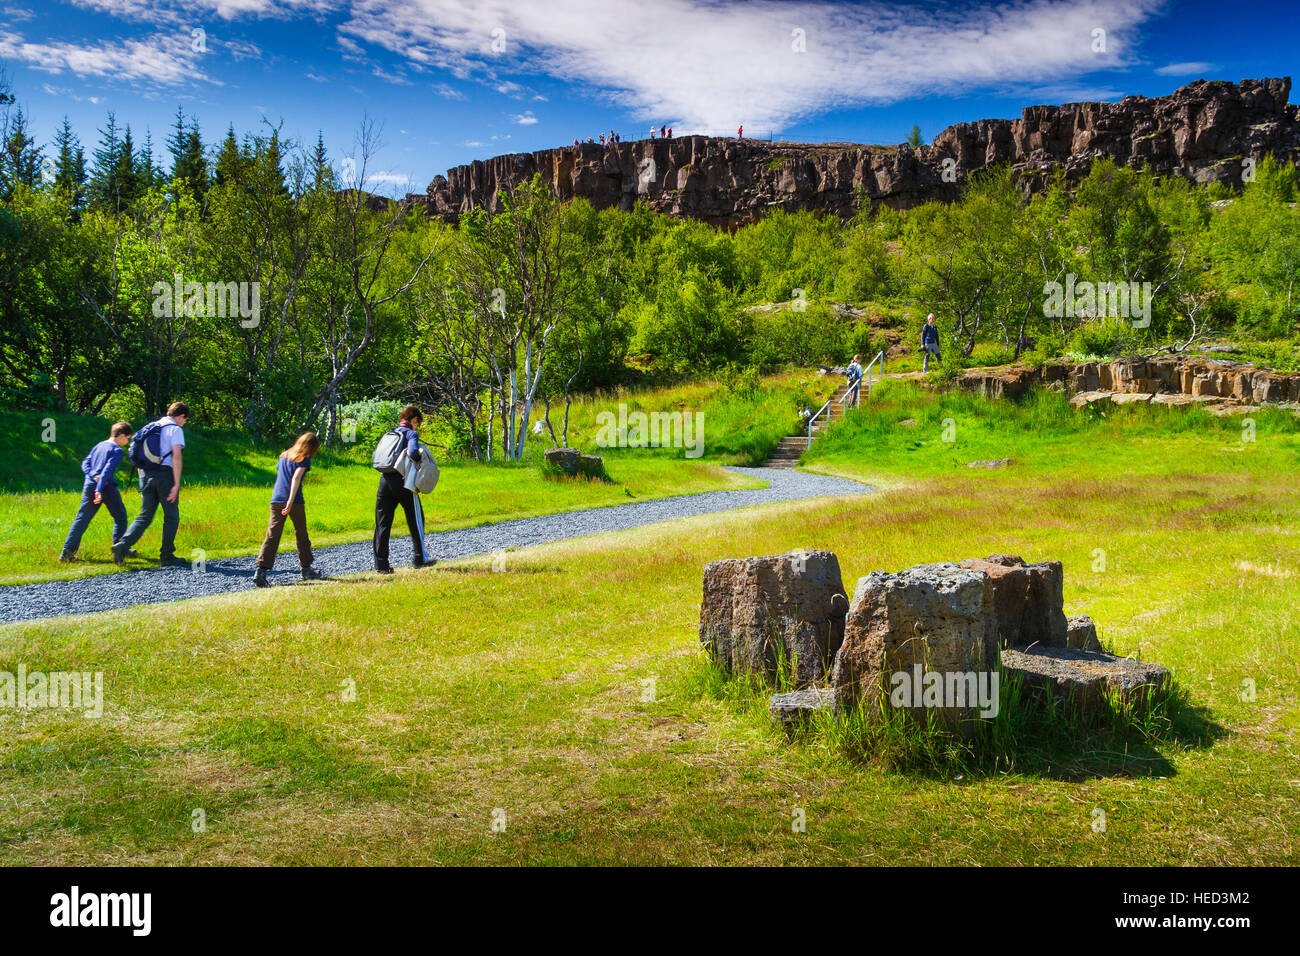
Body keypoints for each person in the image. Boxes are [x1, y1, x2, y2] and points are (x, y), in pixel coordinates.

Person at [113, 401, 188, 567]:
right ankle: (167, 555)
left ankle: (121, 545)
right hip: (165, 476)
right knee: (172, 517)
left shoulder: (150, 426)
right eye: (185, 419)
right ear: (181, 416)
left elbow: (139, 456)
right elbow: (176, 456)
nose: (184, 423)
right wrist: (176, 484)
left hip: (145, 474)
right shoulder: (175, 430)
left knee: (145, 516)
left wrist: (142, 482)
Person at [253, 432, 322, 587]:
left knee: (272, 535)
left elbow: (282, 476)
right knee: (301, 534)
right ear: (311, 447)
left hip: (276, 499)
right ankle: (306, 569)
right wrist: (290, 502)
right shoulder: (304, 459)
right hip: (294, 501)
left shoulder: (283, 455)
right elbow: (296, 478)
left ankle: (261, 571)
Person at [59, 421, 135, 563]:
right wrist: (99, 489)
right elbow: (107, 470)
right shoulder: (117, 450)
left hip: (89, 485)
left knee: (82, 519)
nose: (127, 441)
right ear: (122, 435)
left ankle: (66, 552)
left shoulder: (99, 446)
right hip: (106, 487)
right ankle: (120, 548)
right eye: (127, 438)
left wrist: (93, 474)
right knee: (120, 516)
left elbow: (85, 463)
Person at [373, 406, 430, 574]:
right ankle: (419, 558)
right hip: (403, 481)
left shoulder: (389, 433)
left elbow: (376, 455)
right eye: (418, 422)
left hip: (384, 480)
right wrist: (419, 459)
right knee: (416, 518)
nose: (417, 426)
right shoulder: (410, 433)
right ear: (414, 420)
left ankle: (381, 565)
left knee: (382, 523)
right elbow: (412, 451)